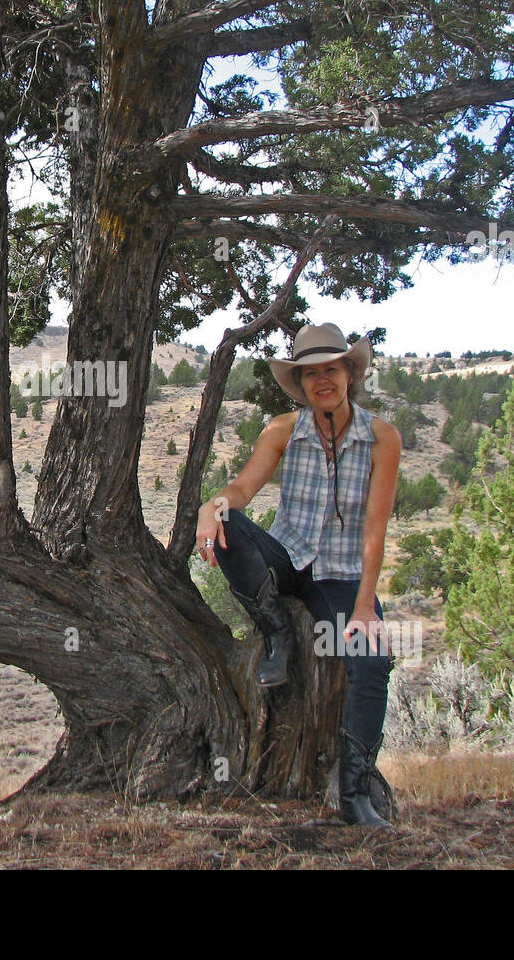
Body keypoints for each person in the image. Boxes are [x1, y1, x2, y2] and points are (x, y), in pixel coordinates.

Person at [194, 322, 401, 826]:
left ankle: (354, 795)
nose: (321, 381)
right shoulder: (284, 430)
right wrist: (214, 504)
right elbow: (243, 488)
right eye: (310, 374)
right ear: (301, 383)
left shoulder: (381, 438)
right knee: (232, 524)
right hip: (289, 558)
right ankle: (277, 635)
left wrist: (363, 607)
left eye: (330, 369)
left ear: (349, 373)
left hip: (343, 574)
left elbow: (375, 531)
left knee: (370, 664)